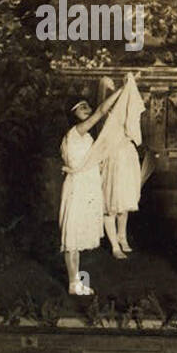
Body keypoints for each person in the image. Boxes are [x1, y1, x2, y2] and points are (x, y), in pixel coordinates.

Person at [59, 86, 122, 294]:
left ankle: (76, 282)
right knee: (72, 237)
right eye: (81, 107)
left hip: (88, 185)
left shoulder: (86, 137)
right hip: (77, 186)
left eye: (87, 106)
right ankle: (73, 284)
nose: (86, 108)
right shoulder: (75, 132)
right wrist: (122, 89)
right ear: (72, 114)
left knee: (78, 236)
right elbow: (100, 112)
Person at [99, 77, 144, 260]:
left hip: (126, 157)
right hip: (113, 158)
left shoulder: (127, 114)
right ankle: (114, 245)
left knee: (124, 202)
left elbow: (134, 133)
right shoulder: (106, 117)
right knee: (111, 202)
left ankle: (122, 236)